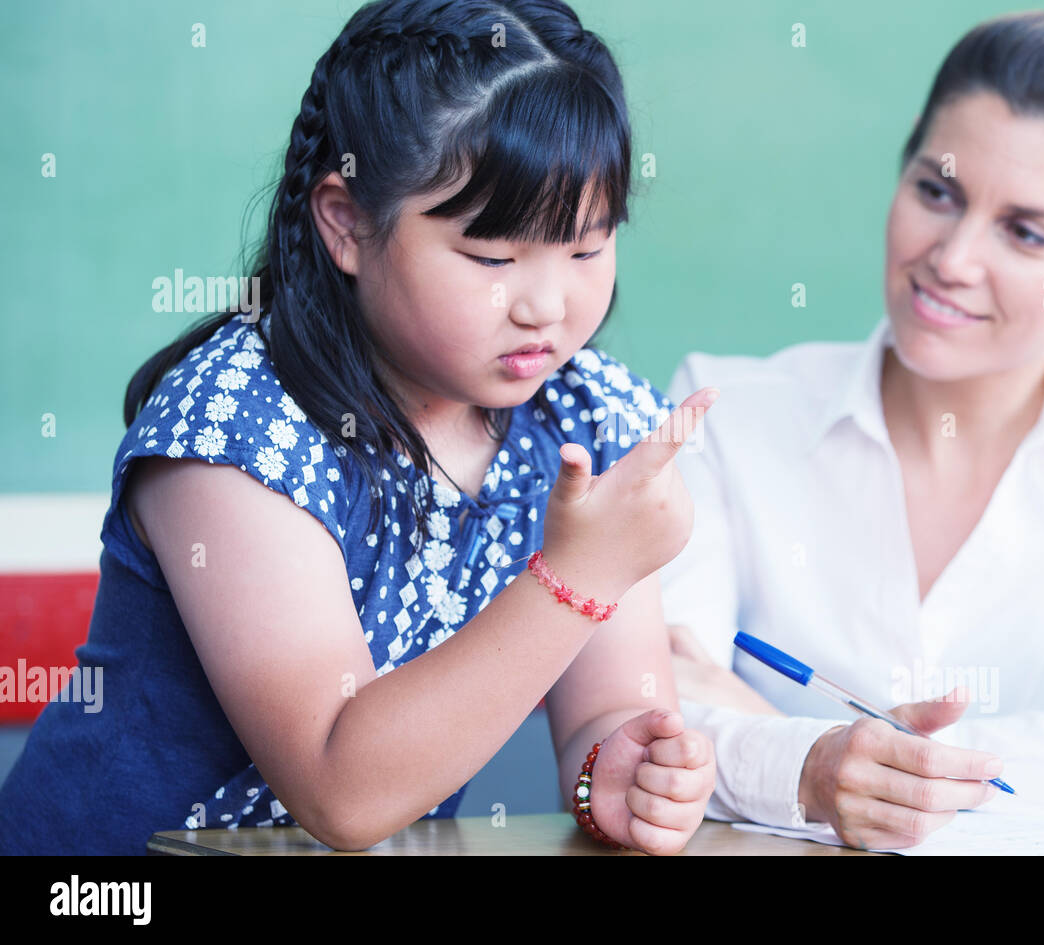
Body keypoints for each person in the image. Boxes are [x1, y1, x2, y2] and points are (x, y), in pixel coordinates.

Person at [0, 0, 718, 855]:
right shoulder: (237, 425)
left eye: (587, 247)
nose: (547, 306)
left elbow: (604, 716)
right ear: (345, 222)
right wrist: (582, 570)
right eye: (492, 258)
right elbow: (340, 787)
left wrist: (621, 769)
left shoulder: (584, 412)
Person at [660, 9, 1044, 851]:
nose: (952, 257)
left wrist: (832, 758)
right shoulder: (723, 415)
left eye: (1025, 231)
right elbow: (656, 711)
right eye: (937, 192)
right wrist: (812, 766)